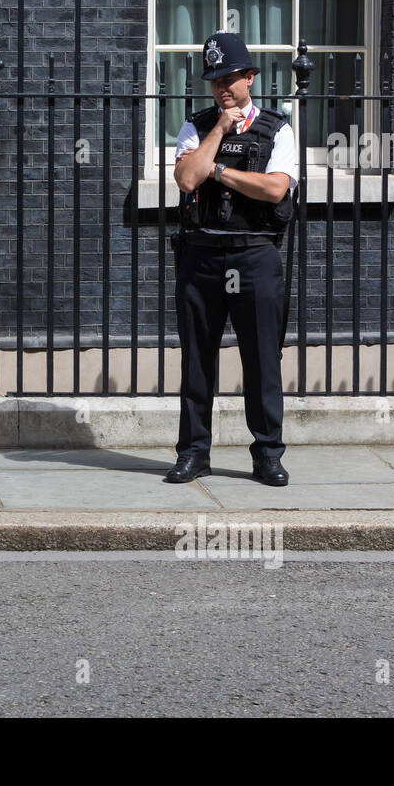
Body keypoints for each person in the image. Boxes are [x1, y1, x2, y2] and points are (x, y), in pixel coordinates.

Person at [165, 32, 296, 487]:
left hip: (255, 253)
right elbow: (185, 179)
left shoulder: (278, 129)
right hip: (201, 254)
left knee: (262, 360)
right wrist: (219, 130)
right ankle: (194, 452)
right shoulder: (196, 126)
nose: (222, 87)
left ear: (249, 77)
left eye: (230, 78)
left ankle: (267, 454)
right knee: (197, 360)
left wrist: (218, 170)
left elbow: (275, 188)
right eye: (215, 79)